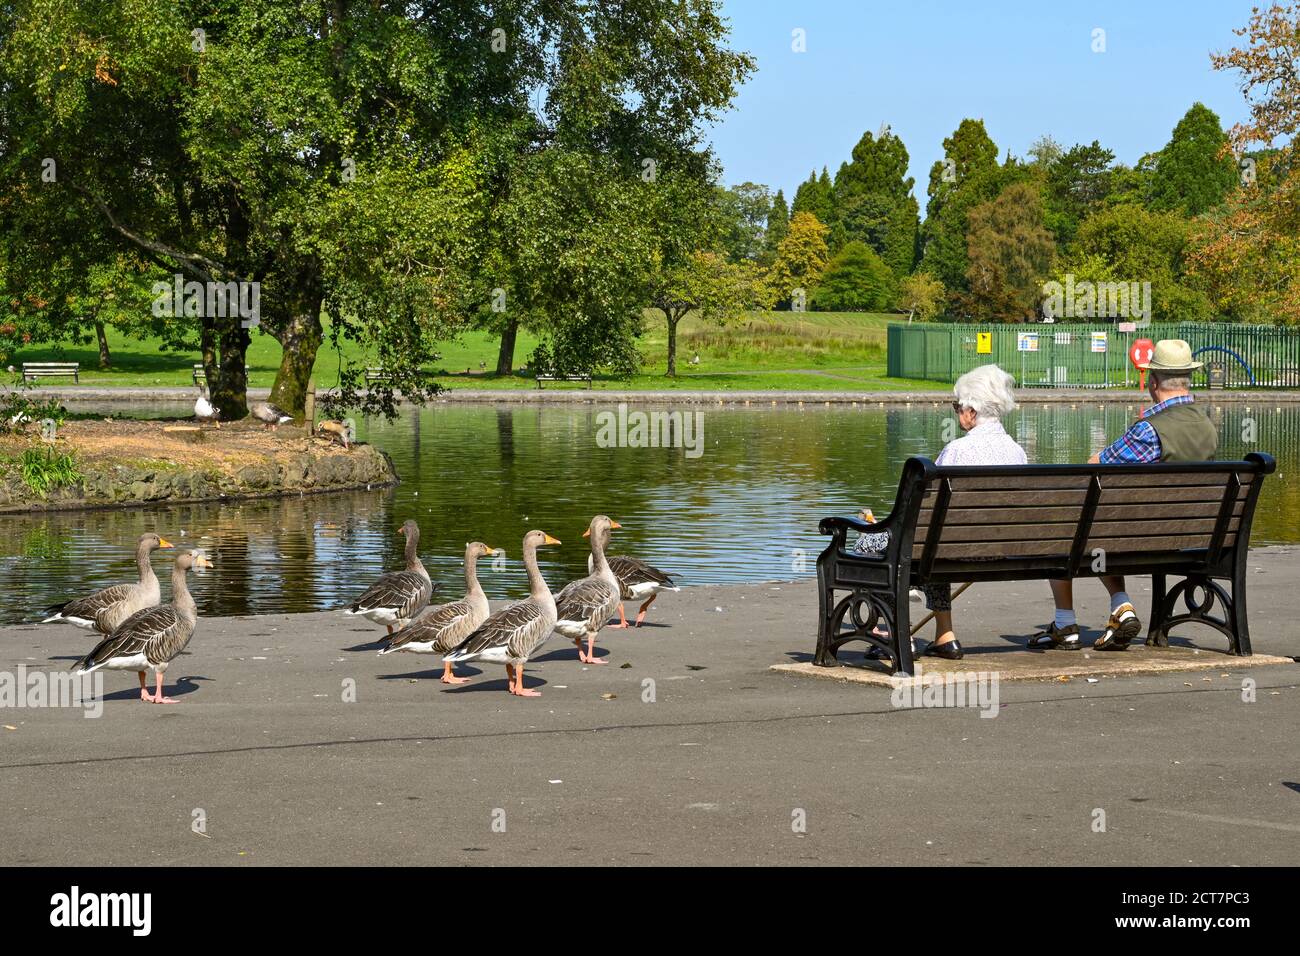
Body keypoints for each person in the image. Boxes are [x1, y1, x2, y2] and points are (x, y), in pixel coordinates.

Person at [1032, 339, 1219, 651]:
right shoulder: (1208, 426)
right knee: (1104, 525)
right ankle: (1119, 608)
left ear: (1154, 382)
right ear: (1187, 379)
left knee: (1074, 527)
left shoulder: (1149, 430)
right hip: (1197, 538)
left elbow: (1096, 468)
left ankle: (1071, 620)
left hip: (1143, 539)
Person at [855, 364, 1027, 660]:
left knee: (869, 545)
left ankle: (896, 633)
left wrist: (877, 525)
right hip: (995, 550)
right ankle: (945, 636)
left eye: (957, 406)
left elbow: (920, 514)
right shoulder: (1018, 452)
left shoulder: (958, 451)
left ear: (971, 412)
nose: (956, 412)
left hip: (945, 548)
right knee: (936, 543)